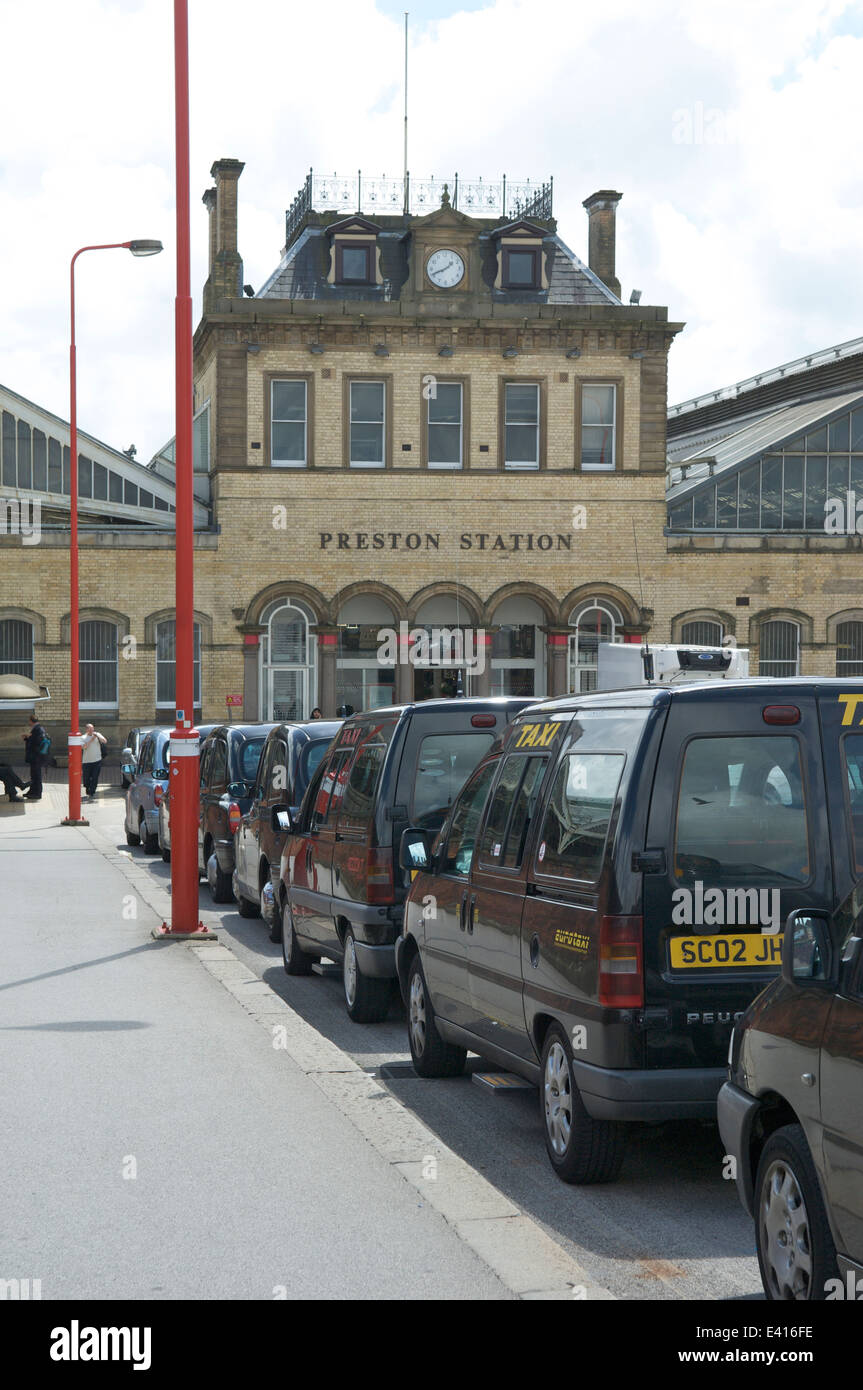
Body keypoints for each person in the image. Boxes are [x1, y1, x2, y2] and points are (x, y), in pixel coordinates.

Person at [22, 713, 47, 800]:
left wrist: (28, 738)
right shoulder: (38, 728)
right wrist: (27, 738)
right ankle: (32, 792)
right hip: (36, 757)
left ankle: (37, 793)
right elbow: (35, 740)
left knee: (36, 775)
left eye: (29, 721)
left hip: (36, 757)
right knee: (34, 775)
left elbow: (36, 742)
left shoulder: (38, 729)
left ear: (31, 721)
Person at [82, 724, 107, 799]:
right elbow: (84, 747)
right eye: (90, 729)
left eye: (92, 729)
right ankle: (87, 787)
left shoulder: (98, 734)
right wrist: (92, 739)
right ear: (86, 730)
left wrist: (98, 736)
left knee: (95, 777)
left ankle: (92, 791)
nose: (92, 731)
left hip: (97, 760)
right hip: (86, 761)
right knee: (86, 778)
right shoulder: (83, 737)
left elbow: (105, 741)